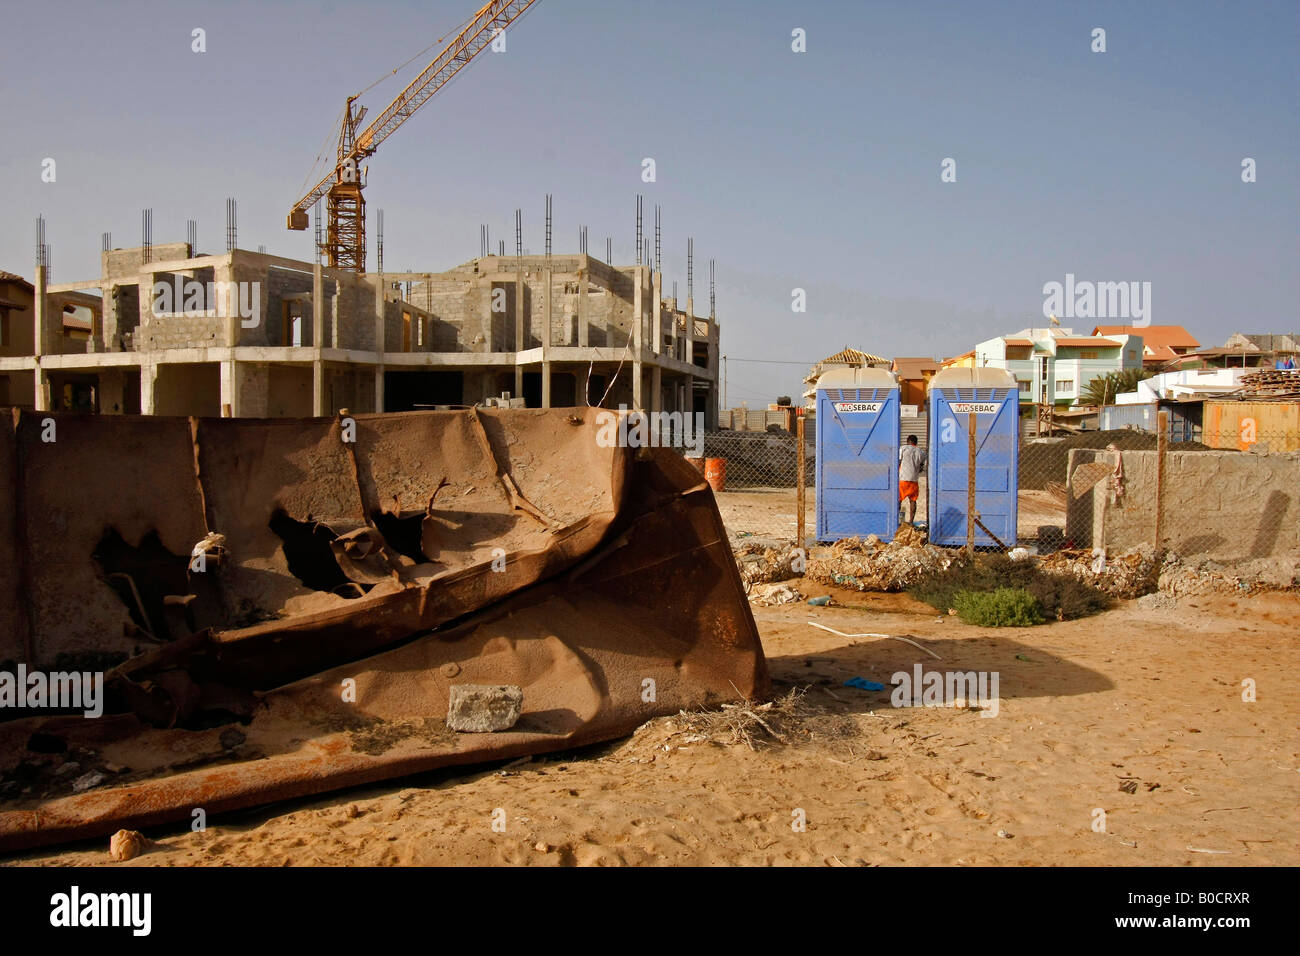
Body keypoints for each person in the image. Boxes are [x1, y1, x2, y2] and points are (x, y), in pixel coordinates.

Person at [898, 434, 926, 525]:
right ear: (916, 442)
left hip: (902, 479)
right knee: (913, 500)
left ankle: (896, 519)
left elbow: (898, 461)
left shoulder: (903, 449)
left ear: (907, 441)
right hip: (913, 479)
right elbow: (922, 466)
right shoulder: (921, 452)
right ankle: (911, 521)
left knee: (898, 500)